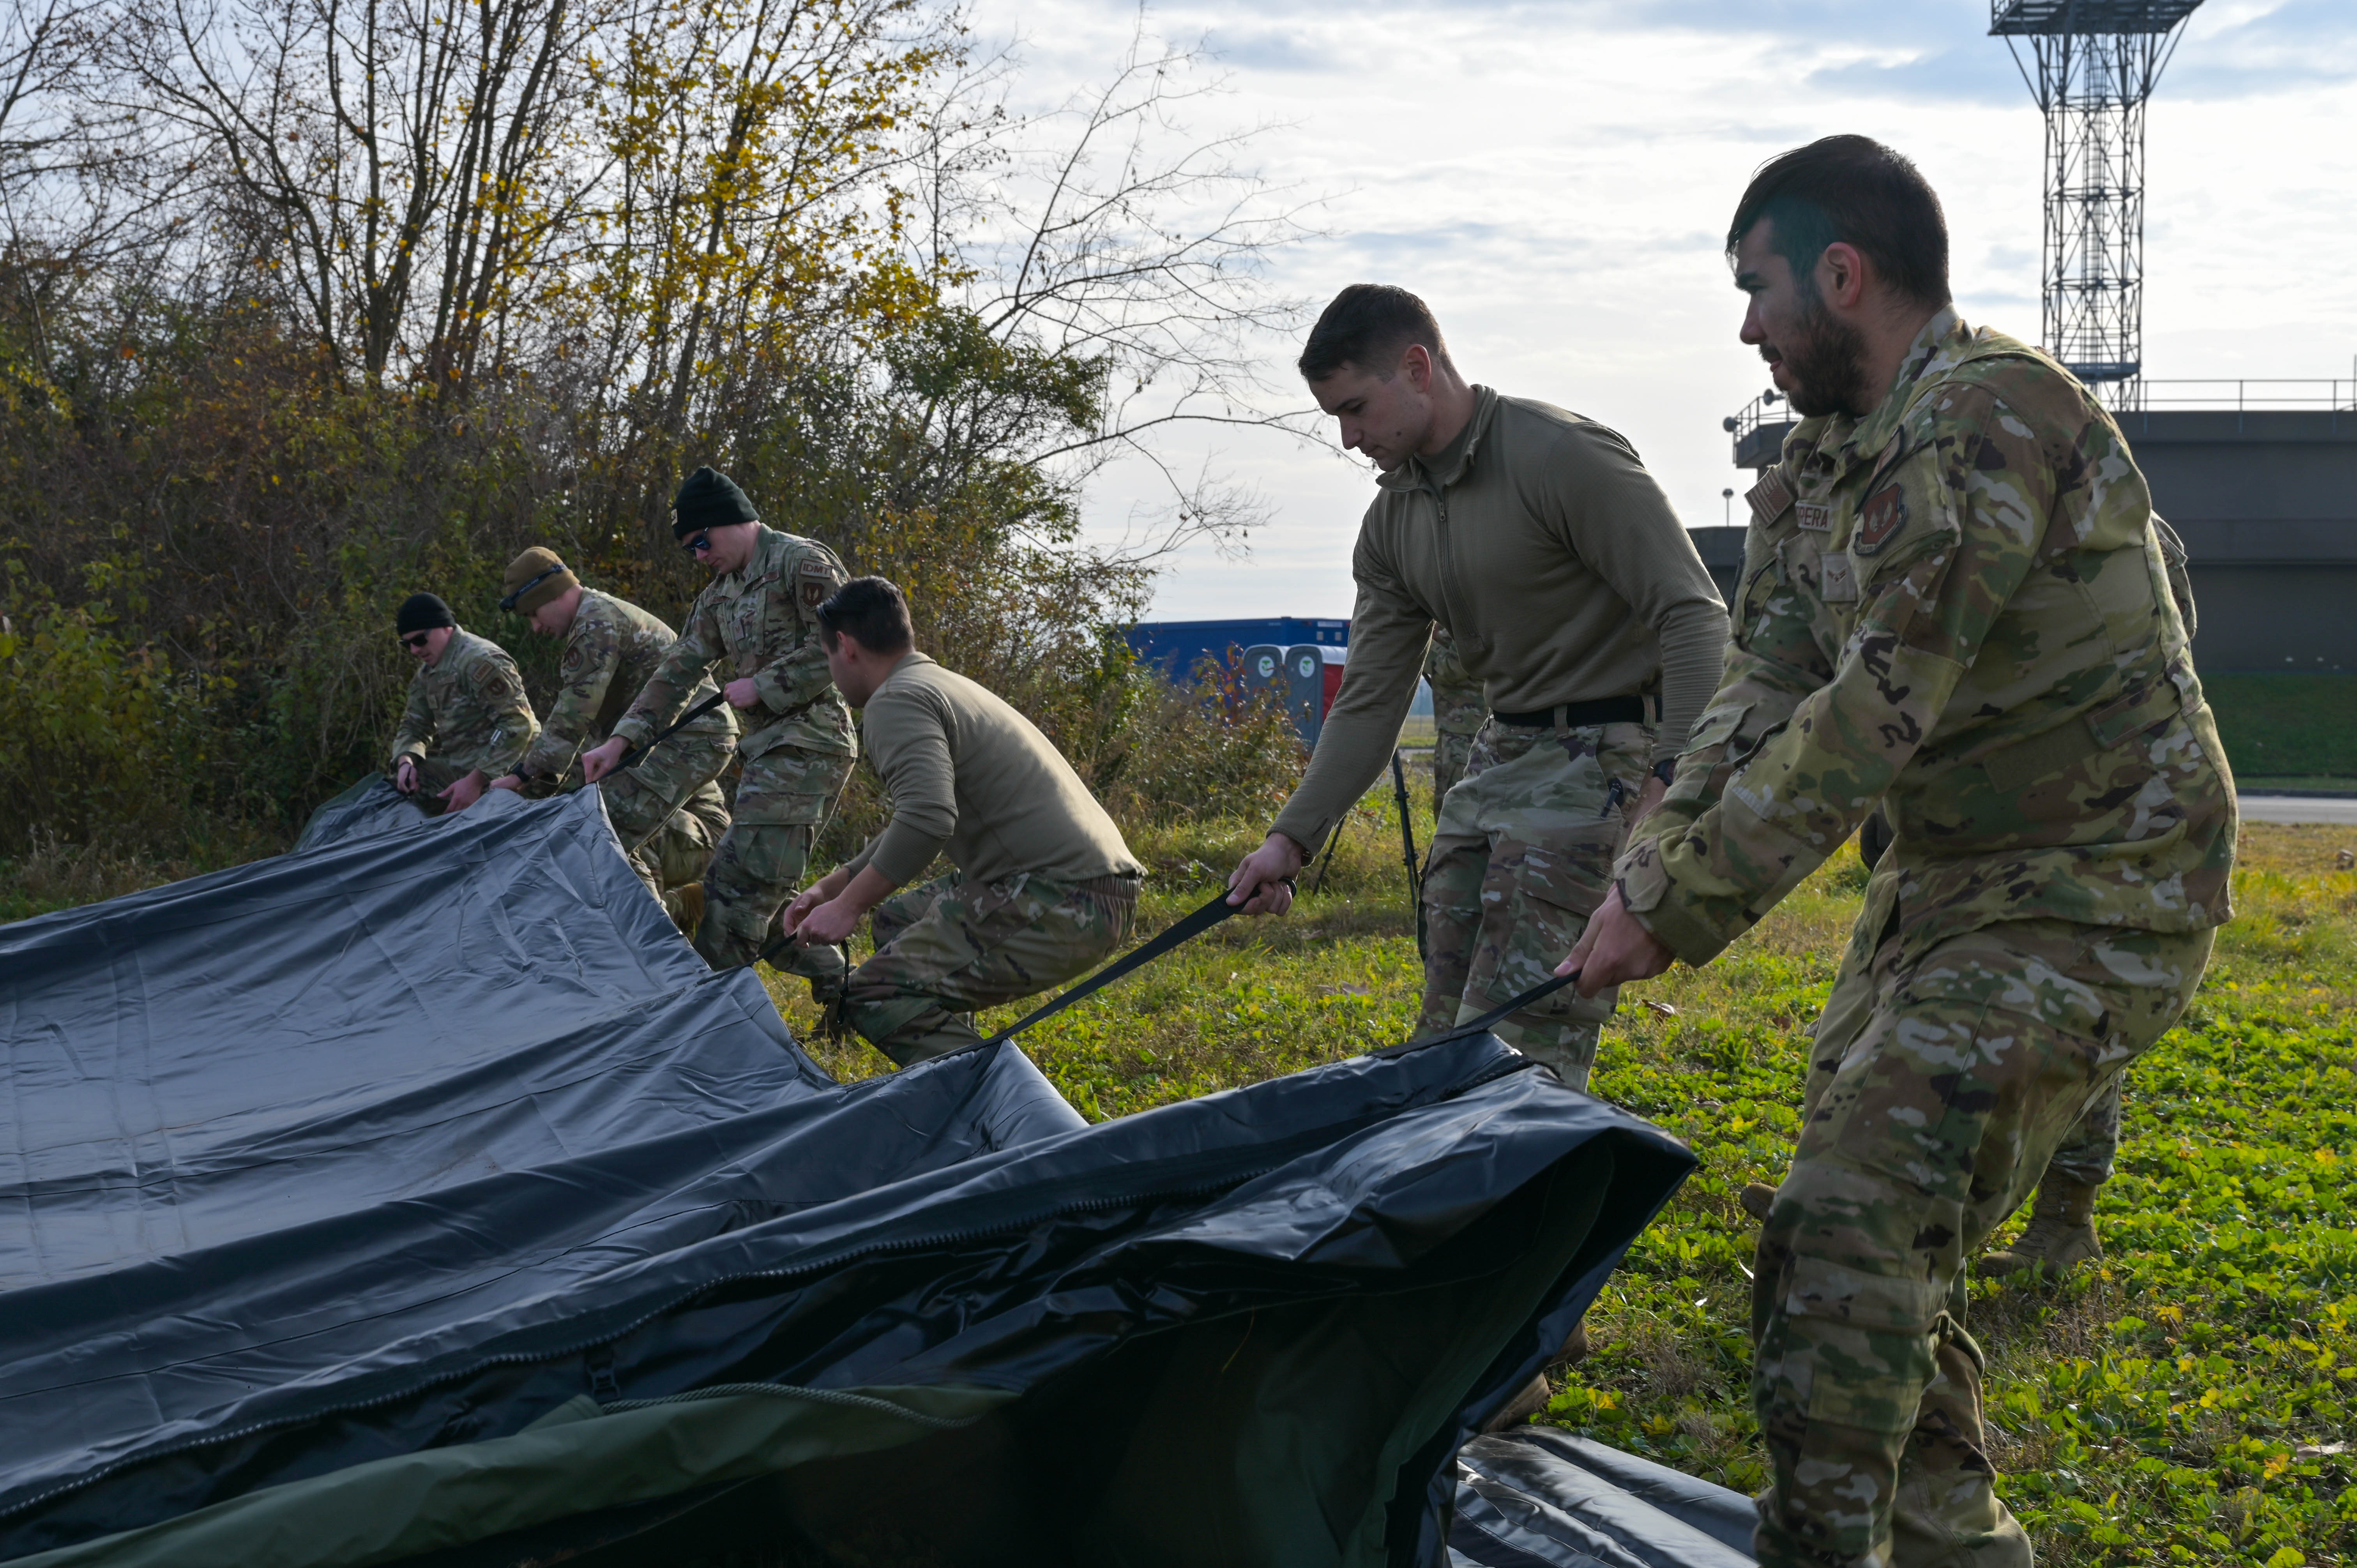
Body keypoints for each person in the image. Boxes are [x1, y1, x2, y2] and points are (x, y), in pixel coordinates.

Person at [1565, 136, 2235, 1566]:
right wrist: (1647, 859)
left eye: (1753, 288)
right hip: (1942, 883)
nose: (1744, 325)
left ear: (1840, 274)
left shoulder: (1987, 418)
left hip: (2100, 883)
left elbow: (1870, 707)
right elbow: (1762, 682)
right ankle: (1953, 1545)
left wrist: (1671, 909)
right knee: (1849, 1235)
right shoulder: (1818, 462)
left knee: (1854, 1216)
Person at [1223, 284, 1726, 1091]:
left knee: (1519, 1056)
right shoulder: (1394, 522)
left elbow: (1697, 617)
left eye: (1355, 408)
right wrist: (1292, 838)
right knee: (1444, 1045)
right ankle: (1449, 1200)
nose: (1350, 439)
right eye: (1335, 419)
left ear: (1417, 367)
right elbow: (1372, 697)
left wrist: (1671, 787)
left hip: (1604, 763)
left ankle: (1529, 1203)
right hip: (1495, 766)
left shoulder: (1562, 456)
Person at [779, 577, 1144, 1068]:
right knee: (895, 920)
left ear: (845, 646)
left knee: (871, 995)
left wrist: (847, 907)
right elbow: (924, 811)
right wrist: (834, 885)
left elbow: (929, 819)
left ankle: (991, 1111)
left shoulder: (894, 701)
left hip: (1065, 897)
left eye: (827, 658)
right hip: (1081, 884)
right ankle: (947, 1054)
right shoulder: (933, 682)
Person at [579, 468, 856, 979]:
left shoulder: (802, 563)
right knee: (758, 896)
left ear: (732, 522)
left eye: (701, 543)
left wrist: (766, 685)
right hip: (766, 753)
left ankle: (709, 1018)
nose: (700, 557)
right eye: (692, 551)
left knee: (735, 896)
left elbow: (843, 642)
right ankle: (846, 989)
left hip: (812, 745)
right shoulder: (717, 598)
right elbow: (676, 672)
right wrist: (621, 742)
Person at [482, 547, 736, 931]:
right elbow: (587, 738)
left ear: (549, 594)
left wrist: (520, 778)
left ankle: (660, 961)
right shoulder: (597, 616)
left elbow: (572, 717)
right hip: (668, 740)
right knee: (594, 830)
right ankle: (659, 935)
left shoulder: (595, 624)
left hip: (688, 738)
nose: (535, 627)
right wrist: (539, 792)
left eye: (532, 614)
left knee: (601, 836)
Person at [387, 592, 539, 815]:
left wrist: (476, 781)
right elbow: (413, 726)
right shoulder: (427, 675)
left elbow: (518, 724)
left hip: (514, 771)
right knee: (405, 787)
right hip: (464, 769)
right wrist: (405, 762)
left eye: (419, 640)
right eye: (406, 644)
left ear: (445, 627)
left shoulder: (480, 661)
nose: (415, 651)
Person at [1422, 626, 1486, 807]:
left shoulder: (1468, 614)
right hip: (1459, 729)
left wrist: (1426, 641)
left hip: (1466, 731)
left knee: (1457, 805)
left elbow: (1452, 668)